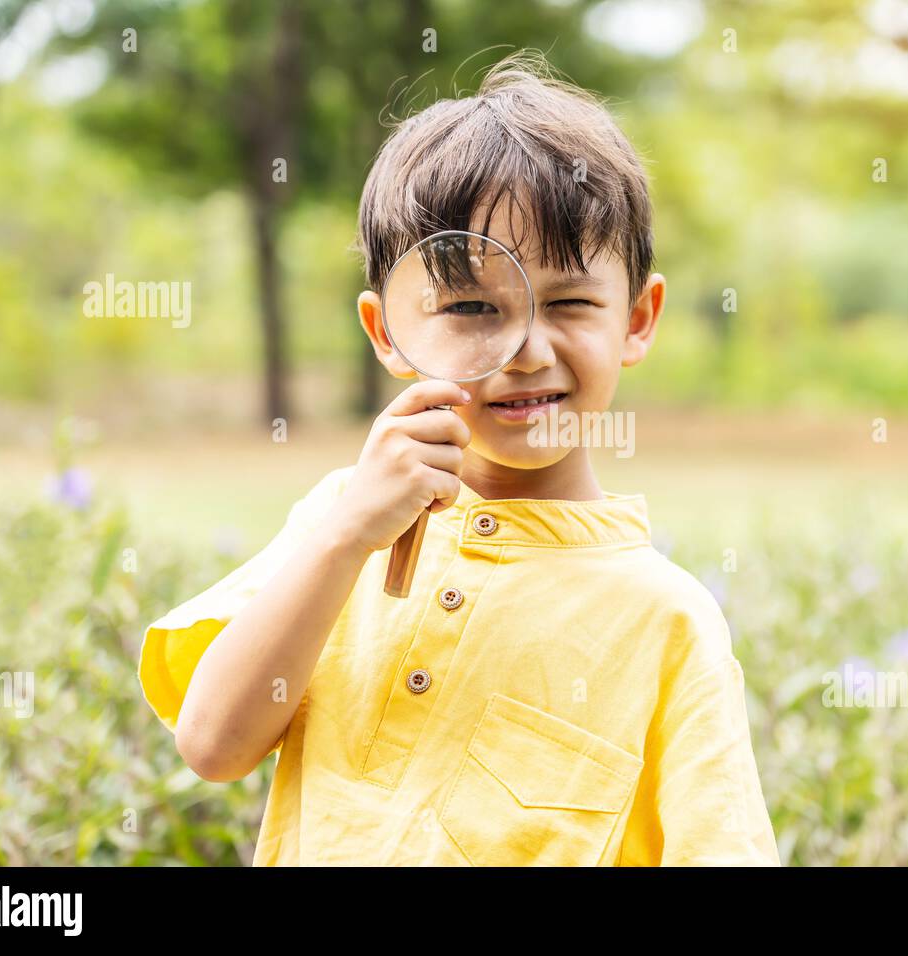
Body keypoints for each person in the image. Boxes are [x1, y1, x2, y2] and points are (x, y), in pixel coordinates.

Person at [138, 51, 781, 866]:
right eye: (472, 306)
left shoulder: (667, 622)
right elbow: (213, 744)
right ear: (387, 333)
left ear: (639, 318)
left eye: (572, 302)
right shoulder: (337, 521)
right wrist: (345, 538)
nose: (526, 349)